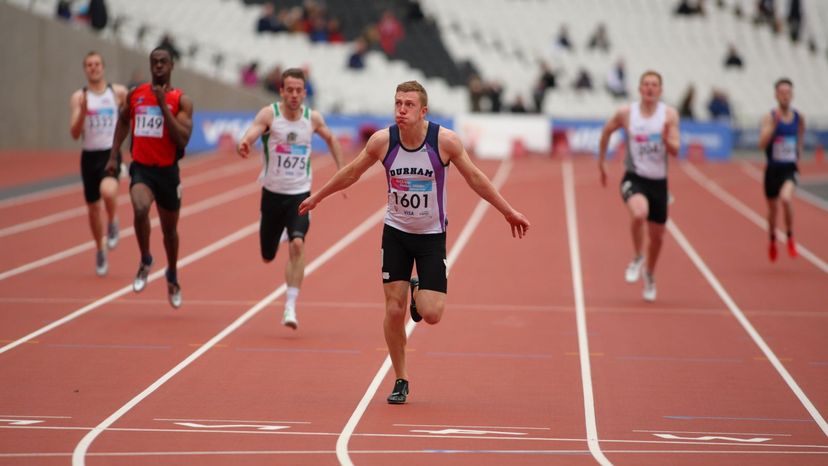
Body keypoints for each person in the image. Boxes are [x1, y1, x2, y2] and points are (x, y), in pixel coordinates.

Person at [298, 81, 530, 404]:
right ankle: (401, 378)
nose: (401, 110)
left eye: (408, 105)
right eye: (397, 103)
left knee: (431, 313)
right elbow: (352, 172)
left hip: (431, 236)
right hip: (396, 233)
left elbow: (475, 178)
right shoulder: (383, 141)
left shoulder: (444, 142)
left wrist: (508, 211)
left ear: (423, 111)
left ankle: (419, 287)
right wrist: (318, 197)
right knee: (394, 309)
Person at [236, 68, 345, 329]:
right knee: (267, 255)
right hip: (272, 195)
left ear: (304, 93)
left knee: (298, 245)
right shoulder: (270, 114)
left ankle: (289, 307)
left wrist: (342, 171)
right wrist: (246, 142)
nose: (294, 95)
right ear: (282, 91)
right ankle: (278, 230)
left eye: (299, 90)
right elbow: (253, 130)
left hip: (300, 194)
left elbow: (331, 139)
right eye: (290, 90)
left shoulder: (312, 118)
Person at [106, 46, 193, 308]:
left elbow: (182, 138)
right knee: (140, 208)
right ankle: (145, 259)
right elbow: (123, 120)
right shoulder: (135, 95)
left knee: (169, 231)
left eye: (163, 62)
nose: (158, 66)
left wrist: (162, 105)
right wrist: (114, 155)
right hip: (142, 168)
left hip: (167, 172)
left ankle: (172, 275)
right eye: (154, 62)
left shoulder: (181, 100)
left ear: (171, 66)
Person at [598, 70, 680, 302]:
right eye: (646, 84)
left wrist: (665, 139)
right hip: (634, 177)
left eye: (654, 84)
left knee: (658, 238)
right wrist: (602, 163)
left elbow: (675, 149)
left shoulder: (669, 115)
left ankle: (650, 274)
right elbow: (606, 132)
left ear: (661, 90)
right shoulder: (627, 113)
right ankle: (636, 257)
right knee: (639, 213)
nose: (650, 88)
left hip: (659, 183)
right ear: (639, 88)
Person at [69, 51, 128, 276]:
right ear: (85, 69)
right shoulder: (79, 97)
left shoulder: (117, 93)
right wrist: (82, 114)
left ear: (103, 67)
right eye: (89, 65)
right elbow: (74, 134)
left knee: (108, 192)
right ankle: (100, 248)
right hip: (89, 157)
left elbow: (131, 113)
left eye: (97, 64)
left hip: (110, 153)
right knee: (93, 209)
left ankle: (113, 220)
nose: (93, 68)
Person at [757, 78, 804, 261]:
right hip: (772, 170)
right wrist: (774, 127)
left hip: (789, 169)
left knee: (786, 198)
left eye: (788, 93)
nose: (785, 96)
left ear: (792, 95)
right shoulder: (770, 117)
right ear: (776, 95)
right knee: (772, 211)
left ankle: (790, 236)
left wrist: (797, 151)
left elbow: (800, 136)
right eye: (782, 93)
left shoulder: (799, 118)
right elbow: (761, 144)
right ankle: (772, 239)